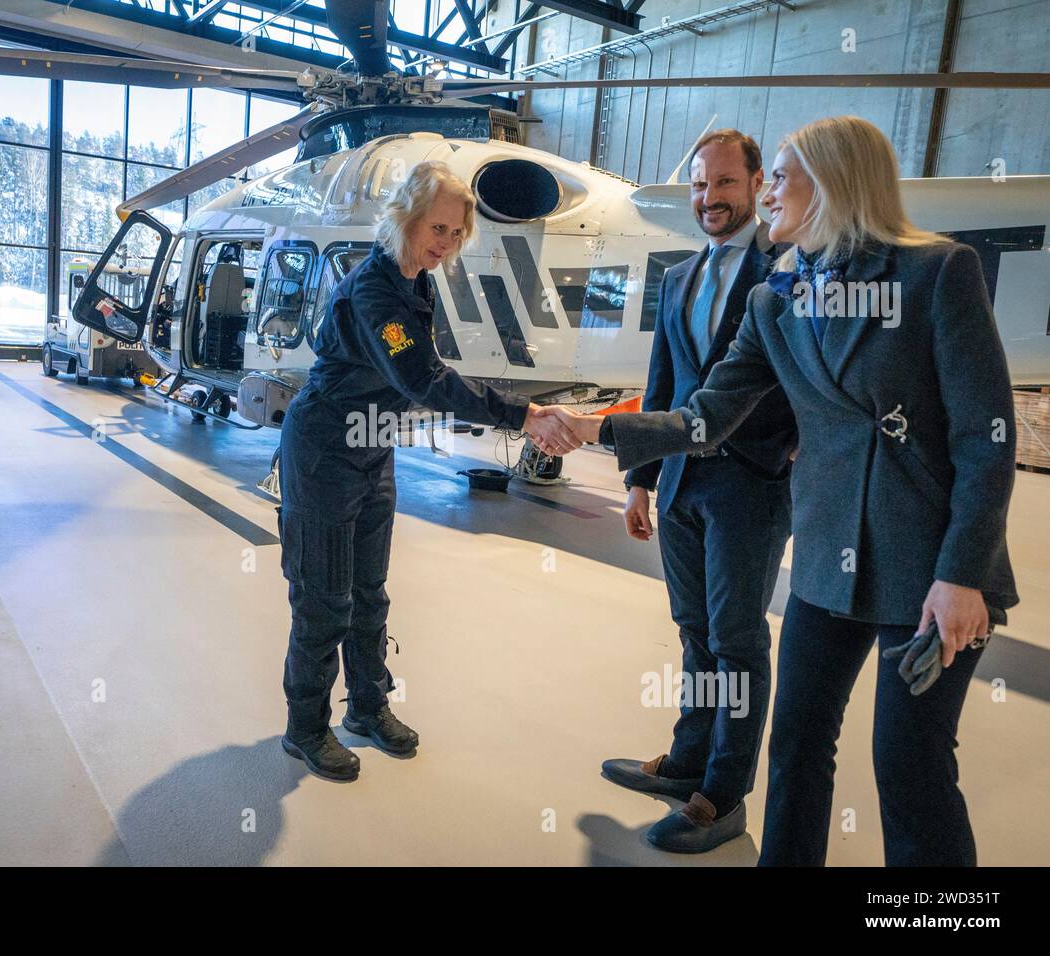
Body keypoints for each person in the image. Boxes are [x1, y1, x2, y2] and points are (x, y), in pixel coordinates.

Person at [568, 115, 1018, 865]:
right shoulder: (776, 299)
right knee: (797, 745)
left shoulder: (936, 272)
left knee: (909, 765)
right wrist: (592, 429)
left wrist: (962, 575)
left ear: (836, 179)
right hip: (827, 561)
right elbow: (706, 415)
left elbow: (985, 436)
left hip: (928, 567)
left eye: (780, 174)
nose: (766, 191)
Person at [278, 161, 580, 782]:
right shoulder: (375, 290)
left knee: (370, 594)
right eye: (435, 227)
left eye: (454, 231)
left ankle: (366, 707)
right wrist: (519, 413)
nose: (443, 242)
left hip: (372, 447)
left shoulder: (417, 280)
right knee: (323, 601)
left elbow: (417, 371)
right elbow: (420, 377)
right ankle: (304, 727)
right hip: (324, 451)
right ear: (406, 219)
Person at [600, 130, 797, 853]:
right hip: (681, 482)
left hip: (752, 482)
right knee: (696, 633)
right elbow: (663, 386)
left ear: (753, 187)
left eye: (724, 185)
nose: (709, 199)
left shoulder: (787, 273)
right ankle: (687, 763)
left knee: (738, 640)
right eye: (698, 186)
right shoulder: (679, 276)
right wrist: (640, 481)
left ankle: (723, 793)